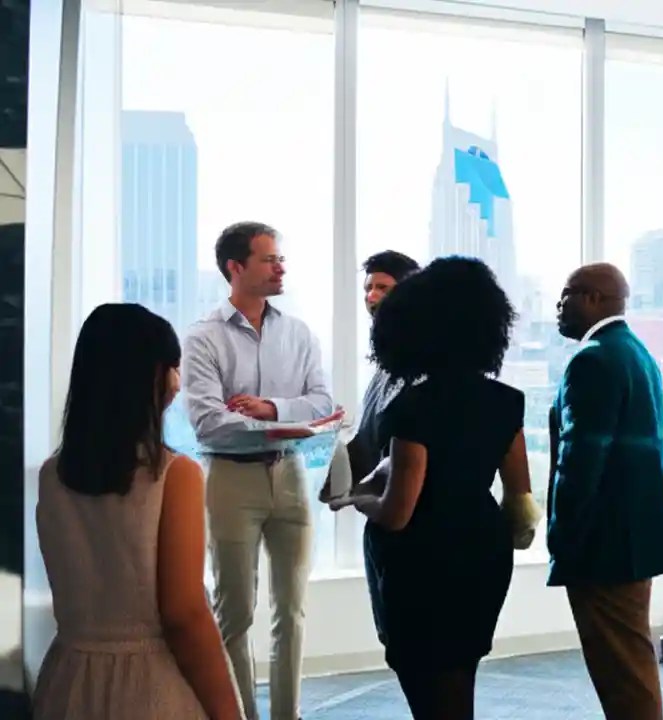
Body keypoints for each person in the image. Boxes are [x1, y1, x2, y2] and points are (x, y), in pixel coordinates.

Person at [333, 255, 539, 719]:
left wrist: (359, 497)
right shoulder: (506, 400)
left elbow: (398, 511)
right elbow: (521, 502)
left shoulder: (413, 406)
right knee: (459, 677)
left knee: (426, 685)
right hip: (483, 552)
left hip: (422, 560)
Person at [32, 304, 243, 720]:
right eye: (172, 367)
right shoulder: (173, 475)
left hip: (67, 680)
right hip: (152, 685)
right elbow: (184, 616)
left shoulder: (52, 475)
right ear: (146, 376)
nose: (177, 383)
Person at [182, 222, 336, 720]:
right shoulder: (203, 337)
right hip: (230, 479)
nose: (281, 268)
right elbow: (209, 422)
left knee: (292, 611)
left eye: (280, 259)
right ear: (235, 267)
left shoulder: (299, 333)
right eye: (270, 260)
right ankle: (240, 715)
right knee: (235, 613)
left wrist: (269, 410)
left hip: (291, 476)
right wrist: (292, 422)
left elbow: (323, 403)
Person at [547, 263, 663, 720]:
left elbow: (581, 459)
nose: (558, 307)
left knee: (622, 673)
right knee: (631, 660)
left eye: (566, 295)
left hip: (604, 543)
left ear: (593, 298)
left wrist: (561, 535)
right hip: (633, 537)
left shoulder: (593, 359)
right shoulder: (636, 353)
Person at [321, 250, 420, 646]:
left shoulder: (423, 368)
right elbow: (367, 440)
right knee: (397, 643)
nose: (372, 297)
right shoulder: (385, 368)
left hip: (416, 525)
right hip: (384, 524)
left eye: (383, 288)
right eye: (368, 289)